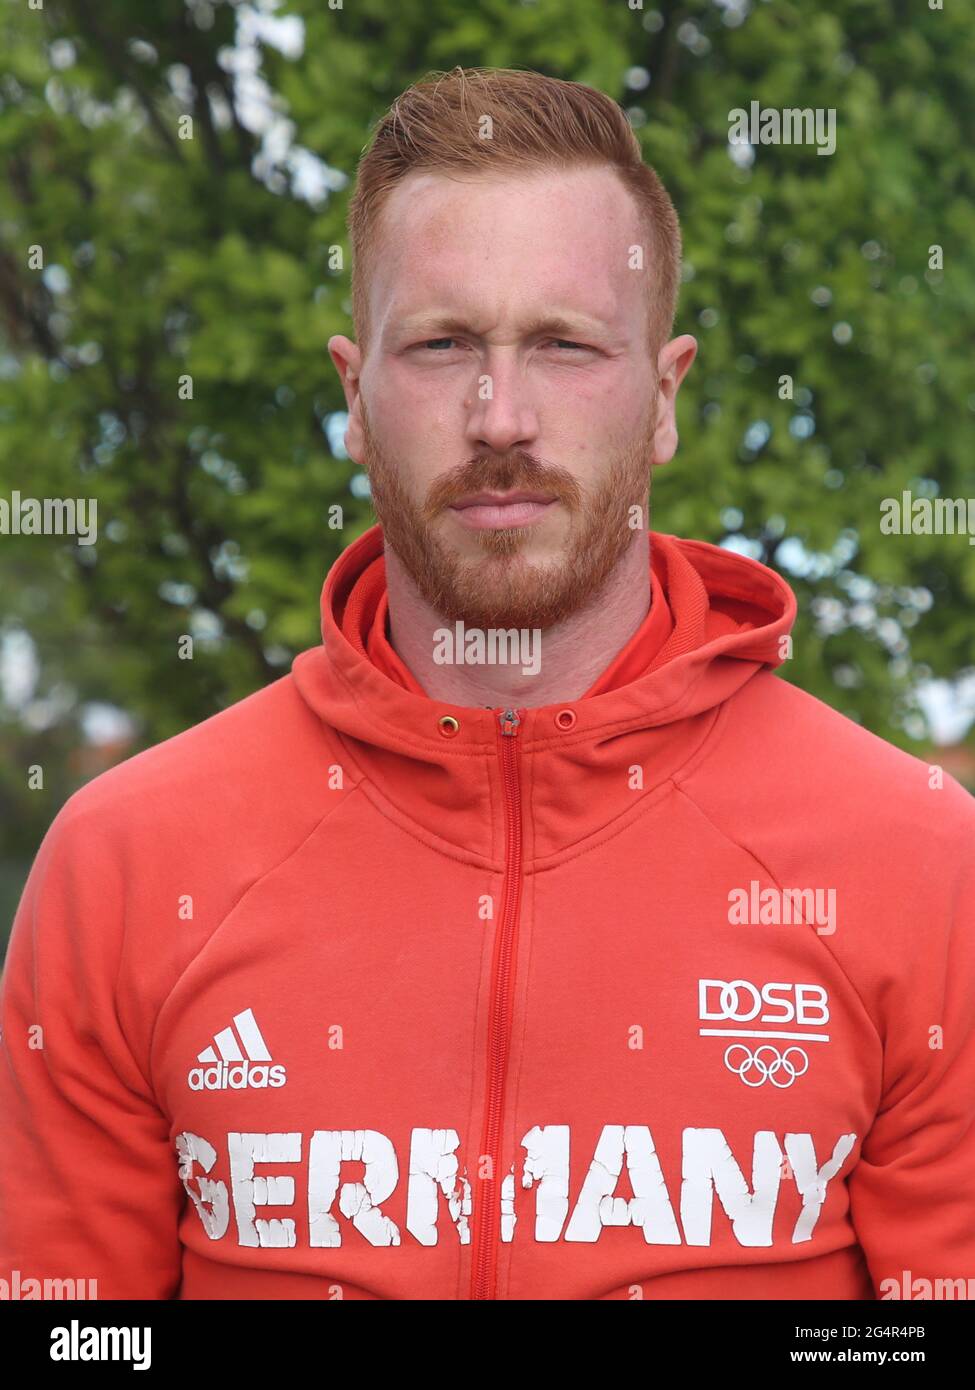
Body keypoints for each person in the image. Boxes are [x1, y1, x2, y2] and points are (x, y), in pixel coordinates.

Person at [1, 66, 973, 1303]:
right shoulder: (125, 866)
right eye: (443, 342)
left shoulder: (919, 864)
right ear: (355, 394)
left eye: (564, 345)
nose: (499, 414)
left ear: (664, 396)